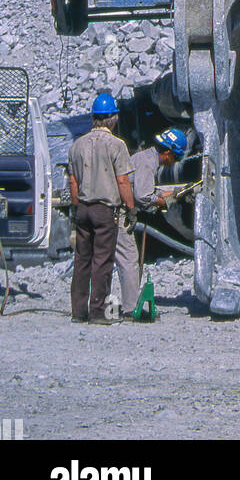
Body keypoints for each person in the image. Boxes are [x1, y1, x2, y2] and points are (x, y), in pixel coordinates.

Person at [68, 93, 136, 326]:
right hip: (105, 210)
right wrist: (131, 208)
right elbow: (123, 181)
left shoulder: (77, 145)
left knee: (82, 260)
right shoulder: (117, 145)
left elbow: (73, 182)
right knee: (102, 261)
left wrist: (77, 209)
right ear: (112, 119)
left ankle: (78, 312)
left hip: (83, 209)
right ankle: (98, 312)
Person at [113, 128, 188, 319]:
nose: (175, 163)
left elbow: (143, 188)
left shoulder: (145, 157)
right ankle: (130, 310)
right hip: (119, 211)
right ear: (168, 153)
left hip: (112, 208)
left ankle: (97, 306)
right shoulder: (149, 163)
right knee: (129, 259)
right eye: (176, 158)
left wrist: (166, 193)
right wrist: (165, 202)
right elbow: (142, 195)